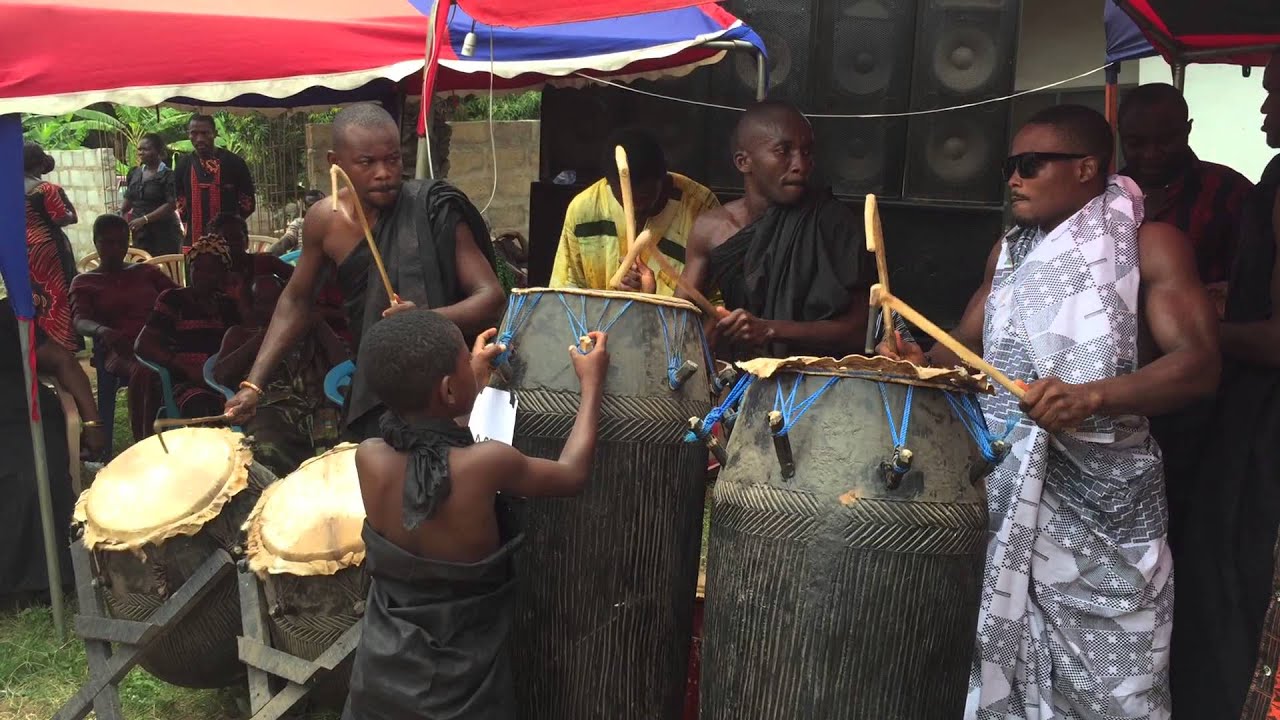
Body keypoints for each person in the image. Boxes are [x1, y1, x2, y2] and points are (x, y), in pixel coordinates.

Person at [878, 105, 1219, 718]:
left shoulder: (1151, 244)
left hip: (1107, 503)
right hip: (1011, 489)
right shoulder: (1007, 254)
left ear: (1087, 167)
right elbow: (961, 352)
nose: (1013, 178)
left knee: (1121, 692)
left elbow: (1199, 364)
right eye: (1010, 166)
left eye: (1030, 165)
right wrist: (914, 359)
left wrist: (1093, 396)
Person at [341, 309, 608, 720]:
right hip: (464, 678)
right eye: (465, 361)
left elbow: (430, 464)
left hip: (384, 666)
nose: (472, 363)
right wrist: (592, 386)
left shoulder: (369, 457)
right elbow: (571, 475)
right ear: (447, 391)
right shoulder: (487, 465)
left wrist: (474, 382)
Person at [223, 103, 505, 441]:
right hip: (376, 389)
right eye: (367, 163)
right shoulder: (324, 221)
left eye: (393, 159)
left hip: (448, 392)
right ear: (335, 163)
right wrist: (254, 384)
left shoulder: (432, 209)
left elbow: (491, 297)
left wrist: (426, 320)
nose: (384, 173)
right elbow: (296, 302)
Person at [1118, 83, 1255, 542]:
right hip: (1120, 381)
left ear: (1188, 129)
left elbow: (1259, 279)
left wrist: (1223, 296)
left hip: (1200, 385)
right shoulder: (1104, 197)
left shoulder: (1231, 191)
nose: (1152, 152)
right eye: (1137, 141)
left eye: (1166, 139)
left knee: (1189, 515)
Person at [1186, 53, 1280, 720]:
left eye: (1278, 95)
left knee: (1237, 582)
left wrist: (1192, 338)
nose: (1265, 110)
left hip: (1268, 428)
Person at [678, 101, 869, 359]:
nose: (800, 164)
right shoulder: (710, 229)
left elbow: (860, 331)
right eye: (784, 151)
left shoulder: (833, 222)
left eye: (807, 152)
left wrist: (770, 329)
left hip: (819, 383)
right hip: (743, 381)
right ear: (743, 162)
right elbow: (678, 321)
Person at [550, 128, 720, 295]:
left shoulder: (701, 209)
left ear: (664, 178)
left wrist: (648, 301)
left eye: (645, 196)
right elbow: (566, 292)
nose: (636, 207)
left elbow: (717, 301)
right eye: (623, 199)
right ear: (608, 183)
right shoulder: (584, 209)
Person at [213, 276, 347, 475]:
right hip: (267, 410)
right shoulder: (240, 333)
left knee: (344, 448)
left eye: (276, 302)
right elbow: (220, 374)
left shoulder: (309, 329)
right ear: (252, 305)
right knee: (266, 447)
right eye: (263, 303)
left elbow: (343, 364)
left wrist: (319, 325)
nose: (271, 309)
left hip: (314, 407)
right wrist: (265, 338)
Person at [69, 215, 176, 441]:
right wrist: (102, 331)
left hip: (159, 342)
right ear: (95, 242)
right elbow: (79, 321)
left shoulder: (145, 272)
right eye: (108, 242)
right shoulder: (85, 282)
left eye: (121, 242)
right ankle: (147, 440)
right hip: (120, 349)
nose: (115, 249)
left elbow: (176, 296)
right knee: (146, 372)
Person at [0, 299, 74, 604]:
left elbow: (61, 361)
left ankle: (39, 583)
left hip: (20, 415)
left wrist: (93, 423)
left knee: (32, 477)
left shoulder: (6, 319)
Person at [135, 235, 242, 419]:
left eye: (211, 270)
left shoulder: (227, 304)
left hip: (222, 378)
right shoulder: (173, 300)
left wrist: (238, 296)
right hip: (184, 380)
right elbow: (144, 344)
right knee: (202, 407)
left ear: (223, 274)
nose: (202, 276)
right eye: (197, 268)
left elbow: (243, 338)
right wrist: (185, 367)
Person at [24, 141, 80, 352]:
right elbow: (64, 218)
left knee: (37, 296)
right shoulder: (46, 189)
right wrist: (67, 205)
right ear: (40, 164)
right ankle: (63, 344)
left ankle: (38, 343)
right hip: (50, 249)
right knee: (58, 294)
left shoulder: (9, 189)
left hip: (27, 250)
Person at [175, 114, 255, 246]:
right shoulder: (183, 165)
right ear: (188, 134)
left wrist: (230, 226)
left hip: (230, 243)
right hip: (194, 243)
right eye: (194, 133)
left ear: (215, 133)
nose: (200, 139)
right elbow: (180, 202)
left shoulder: (234, 163)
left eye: (205, 133)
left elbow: (248, 204)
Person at [206, 212, 294, 315]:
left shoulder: (265, 262)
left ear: (247, 241)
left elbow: (302, 279)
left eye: (237, 238)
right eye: (225, 240)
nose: (232, 244)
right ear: (215, 245)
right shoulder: (210, 273)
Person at [121, 133, 183, 256]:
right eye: (139, 149)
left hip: (164, 234)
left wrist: (144, 220)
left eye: (146, 149)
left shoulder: (168, 175)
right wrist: (123, 218)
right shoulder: (135, 173)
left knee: (163, 269)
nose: (141, 152)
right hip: (140, 235)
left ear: (158, 151)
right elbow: (129, 200)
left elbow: (171, 205)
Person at [269, 189, 326, 256]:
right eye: (311, 205)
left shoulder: (333, 225)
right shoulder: (299, 223)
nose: (315, 208)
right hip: (298, 260)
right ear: (306, 207)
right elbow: (286, 240)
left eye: (319, 205)